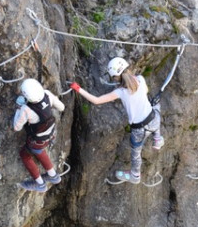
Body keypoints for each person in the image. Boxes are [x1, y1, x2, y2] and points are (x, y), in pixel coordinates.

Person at [70, 56, 164, 184]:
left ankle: (135, 176)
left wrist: (78, 89)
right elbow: (145, 91)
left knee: (136, 153)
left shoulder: (120, 92)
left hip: (139, 130)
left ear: (115, 77)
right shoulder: (141, 80)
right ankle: (157, 139)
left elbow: (96, 101)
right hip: (154, 120)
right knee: (156, 106)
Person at [13, 78, 65, 192]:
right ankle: (53, 176)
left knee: (25, 155)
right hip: (50, 135)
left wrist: (18, 108)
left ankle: (40, 184)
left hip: (36, 140)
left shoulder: (26, 109)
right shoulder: (47, 94)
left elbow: (16, 127)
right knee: (40, 150)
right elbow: (61, 107)